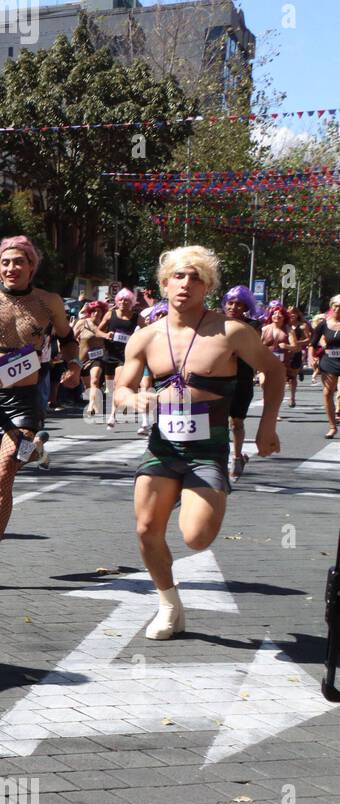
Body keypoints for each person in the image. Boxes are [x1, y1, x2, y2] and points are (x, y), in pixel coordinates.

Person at [113, 246, 283, 639]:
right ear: (163, 283)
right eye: (178, 276)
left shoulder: (232, 331)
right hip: (162, 446)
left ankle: (209, 491)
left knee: (196, 537)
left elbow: (273, 372)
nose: (185, 283)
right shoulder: (145, 337)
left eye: (195, 277)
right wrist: (133, 398)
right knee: (145, 529)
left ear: (207, 286)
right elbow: (121, 386)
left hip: (208, 447)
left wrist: (266, 427)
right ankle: (169, 605)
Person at [0, 236, 80, 588]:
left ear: (31, 266)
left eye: (19, 262)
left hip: (25, 399)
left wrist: (74, 364)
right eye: (5, 262)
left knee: (3, 476)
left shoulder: (49, 302)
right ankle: (34, 447)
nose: (11, 268)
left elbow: (69, 339)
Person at [221, 285, 262, 481]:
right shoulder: (215, 322)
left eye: (239, 304)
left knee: (236, 421)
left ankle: (237, 458)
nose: (234, 307)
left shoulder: (252, 326)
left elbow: (251, 349)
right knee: (217, 421)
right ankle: (218, 458)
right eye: (231, 303)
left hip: (242, 379)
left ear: (245, 307)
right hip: (216, 378)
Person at [103, 288, 142, 430]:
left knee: (119, 384)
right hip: (109, 354)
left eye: (127, 300)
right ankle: (122, 402)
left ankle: (112, 416)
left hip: (125, 356)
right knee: (112, 387)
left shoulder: (136, 317)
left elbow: (147, 331)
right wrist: (105, 335)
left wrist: (136, 338)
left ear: (131, 302)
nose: (123, 302)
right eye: (121, 300)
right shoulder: (110, 314)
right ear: (117, 301)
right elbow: (98, 330)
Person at [312, 295, 340, 439]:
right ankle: (332, 426)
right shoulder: (324, 324)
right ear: (331, 307)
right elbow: (313, 342)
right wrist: (312, 359)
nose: (337, 309)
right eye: (335, 306)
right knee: (327, 392)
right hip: (329, 360)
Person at [261, 305, 296, 409]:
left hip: (282, 364)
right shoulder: (265, 329)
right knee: (264, 383)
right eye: (274, 314)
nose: (277, 316)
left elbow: (296, 347)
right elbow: (258, 344)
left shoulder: (289, 330)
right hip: (266, 362)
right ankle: (267, 404)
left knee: (277, 389)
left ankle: (274, 410)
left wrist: (287, 346)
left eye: (279, 314)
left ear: (284, 317)